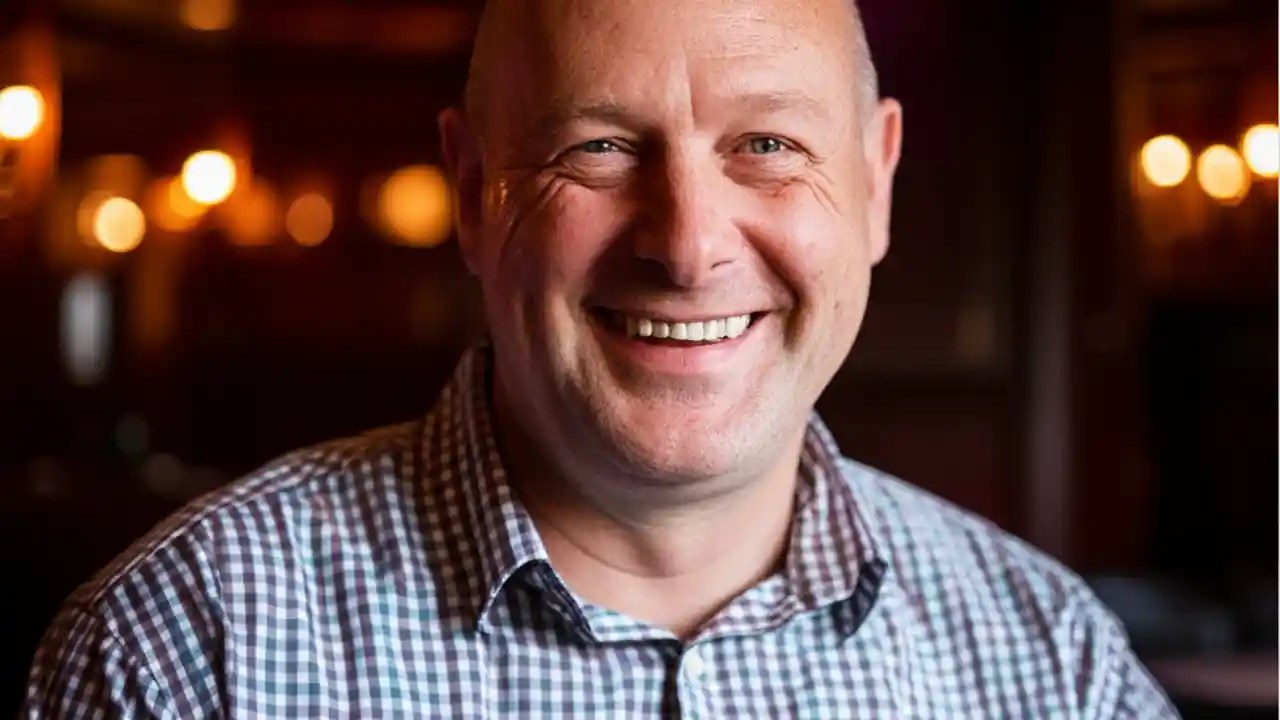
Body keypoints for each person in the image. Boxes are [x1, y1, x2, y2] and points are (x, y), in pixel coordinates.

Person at [24, 0, 1179, 717]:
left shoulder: (1048, 660)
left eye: (766, 144)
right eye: (600, 148)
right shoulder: (188, 652)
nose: (687, 245)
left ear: (875, 186)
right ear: (473, 192)